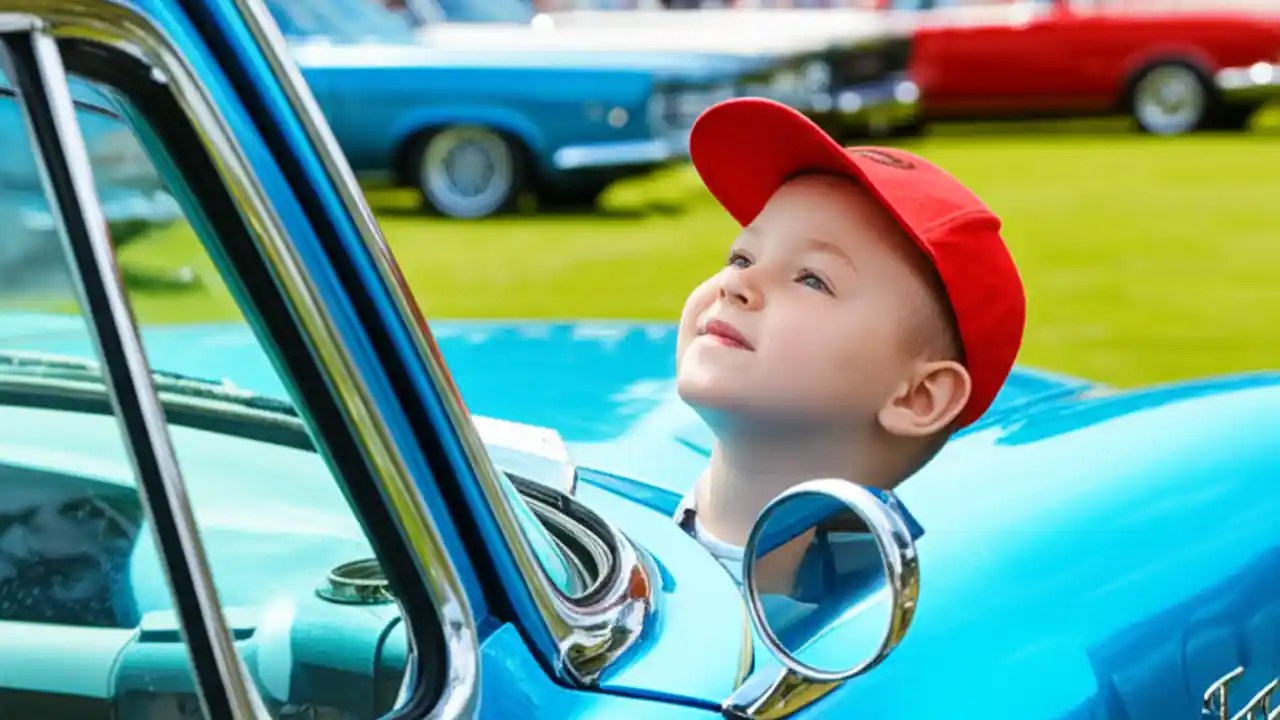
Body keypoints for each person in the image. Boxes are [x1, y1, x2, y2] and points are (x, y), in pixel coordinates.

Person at [672, 97, 1026, 588]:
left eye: (812, 279)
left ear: (917, 396)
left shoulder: (891, 638)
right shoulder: (578, 515)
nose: (735, 285)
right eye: (742, 257)